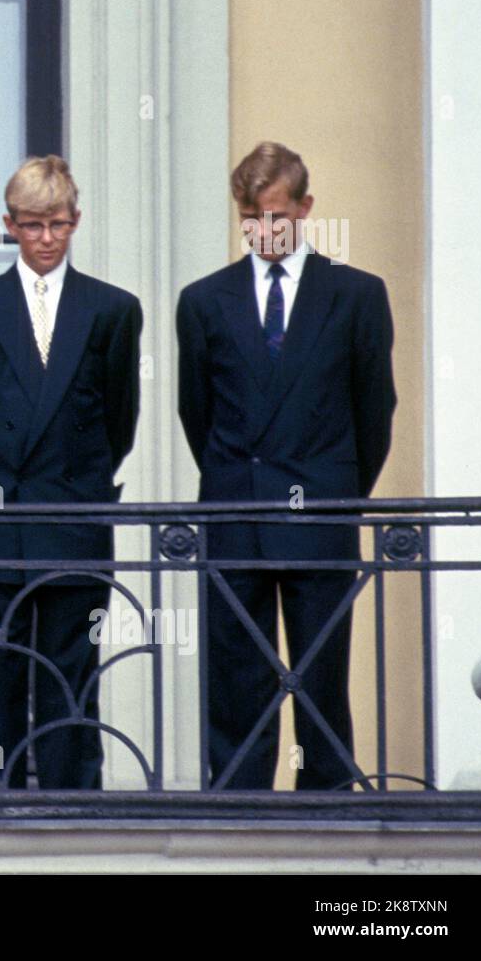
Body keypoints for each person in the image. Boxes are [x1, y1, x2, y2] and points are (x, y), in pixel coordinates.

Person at [176, 141, 396, 790]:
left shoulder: (355, 295)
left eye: (275, 216)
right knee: (238, 676)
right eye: (250, 217)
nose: (263, 231)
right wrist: (238, 482)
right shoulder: (204, 300)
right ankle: (239, 806)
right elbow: (199, 412)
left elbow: (373, 413)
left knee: (322, 673)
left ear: (305, 208)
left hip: (321, 513)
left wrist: (335, 493)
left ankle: (326, 800)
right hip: (236, 512)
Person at [0, 155, 142, 789]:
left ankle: (71, 800)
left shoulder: (112, 309)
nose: (45, 238)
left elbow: (119, 420)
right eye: (32, 225)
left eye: (56, 224)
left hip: (75, 512)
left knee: (69, 669)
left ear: (75, 222)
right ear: (9, 225)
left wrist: (77, 485)